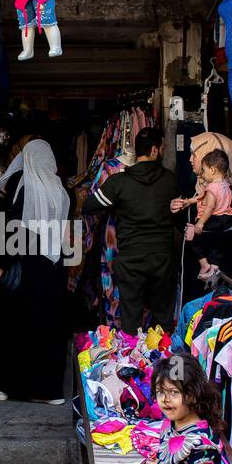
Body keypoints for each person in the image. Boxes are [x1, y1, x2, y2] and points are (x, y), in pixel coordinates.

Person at [0, 138, 71, 404]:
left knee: (16, 327)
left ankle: (1, 384)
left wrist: (0, 264)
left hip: (29, 269)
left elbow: (17, 231)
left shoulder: (25, 186)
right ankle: (49, 391)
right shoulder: (60, 189)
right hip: (53, 269)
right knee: (49, 328)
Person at [82, 126, 177, 335]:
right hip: (163, 259)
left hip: (131, 259)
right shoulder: (170, 180)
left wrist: (117, 205)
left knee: (131, 319)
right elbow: (178, 217)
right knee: (163, 320)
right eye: (162, 148)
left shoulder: (119, 182)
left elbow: (88, 206)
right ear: (154, 151)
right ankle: (165, 362)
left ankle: (133, 363)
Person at [145, 354, 224, 464]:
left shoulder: (202, 440)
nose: (165, 399)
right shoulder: (169, 424)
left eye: (174, 392)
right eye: (160, 392)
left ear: (193, 395)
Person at [172, 130, 232, 302]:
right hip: (193, 268)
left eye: (194, 154)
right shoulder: (192, 191)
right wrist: (175, 210)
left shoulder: (231, 192)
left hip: (220, 266)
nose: (190, 159)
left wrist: (202, 234)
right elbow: (183, 227)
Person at [180, 148, 232, 282]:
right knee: (217, 245)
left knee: (193, 239)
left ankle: (204, 265)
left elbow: (209, 208)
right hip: (224, 219)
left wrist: (200, 223)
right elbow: (200, 196)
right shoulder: (226, 185)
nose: (202, 174)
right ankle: (214, 267)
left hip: (212, 219)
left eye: (204, 170)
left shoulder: (211, 189)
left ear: (213, 170)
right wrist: (189, 201)